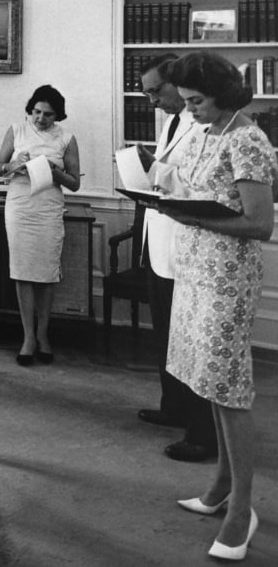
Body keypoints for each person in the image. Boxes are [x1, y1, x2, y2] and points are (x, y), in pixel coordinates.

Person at [157, 52, 275, 560]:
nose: (189, 111)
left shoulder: (248, 139)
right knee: (207, 379)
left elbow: (259, 224)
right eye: (184, 102)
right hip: (195, 272)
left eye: (196, 102)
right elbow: (197, 189)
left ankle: (242, 509)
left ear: (222, 94)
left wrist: (196, 219)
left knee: (228, 389)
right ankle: (222, 484)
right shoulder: (205, 132)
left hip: (227, 280)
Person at [133, 54, 218, 463]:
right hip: (160, 242)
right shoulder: (170, 123)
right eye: (146, 93)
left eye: (157, 91)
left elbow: (198, 183)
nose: (152, 101)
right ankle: (175, 407)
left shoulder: (205, 122)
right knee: (165, 333)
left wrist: (157, 172)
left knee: (192, 341)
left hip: (188, 245)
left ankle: (201, 430)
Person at [0, 85, 81, 366]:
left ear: (58, 115)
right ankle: (28, 337)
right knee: (22, 270)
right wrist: (13, 164)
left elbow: (75, 184)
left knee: (46, 271)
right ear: (30, 110)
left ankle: (43, 334)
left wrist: (53, 171)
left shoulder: (66, 138)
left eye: (48, 115)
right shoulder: (16, 130)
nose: (41, 119)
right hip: (20, 205)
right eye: (37, 113)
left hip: (48, 207)